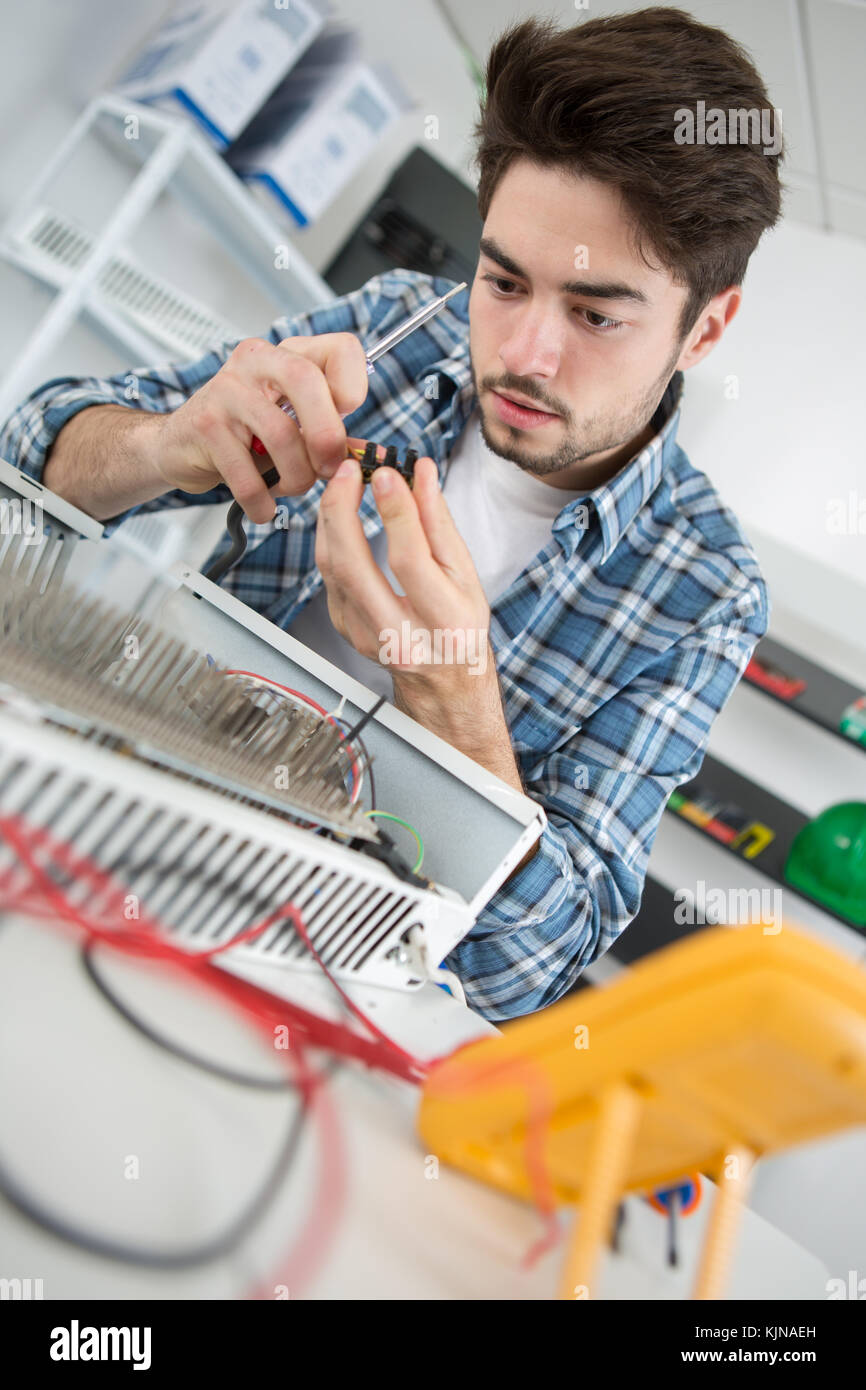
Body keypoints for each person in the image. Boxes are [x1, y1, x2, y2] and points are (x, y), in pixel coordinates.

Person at [0, 9, 782, 1020]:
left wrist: (456, 706)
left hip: (327, 984)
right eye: (501, 279)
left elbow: (528, 969)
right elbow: (32, 447)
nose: (522, 354)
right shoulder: (402, 324)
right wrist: (161, 446)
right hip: (123, 815)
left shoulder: (703, 591)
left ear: (702, 326)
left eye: (593, 313)